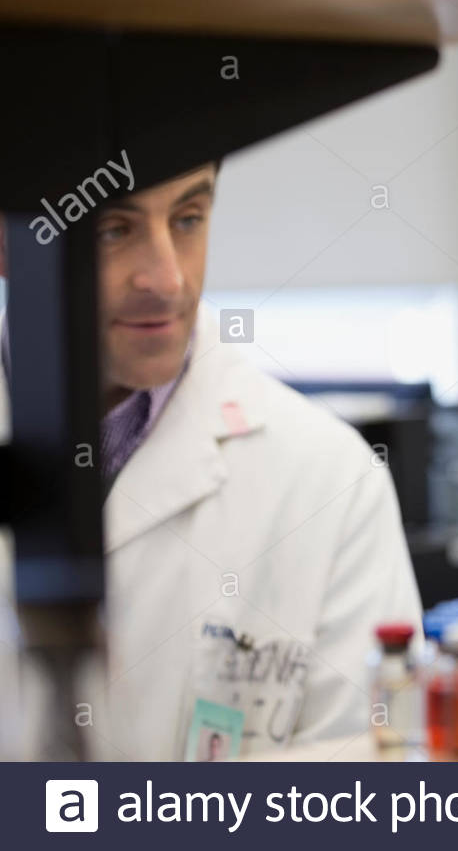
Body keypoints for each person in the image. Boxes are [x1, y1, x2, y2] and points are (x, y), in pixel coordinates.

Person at [0, 162, 422, 759]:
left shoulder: (328, 475)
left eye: (188, 218)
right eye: (112, 229)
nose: (168, 279)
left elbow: (377, 775)